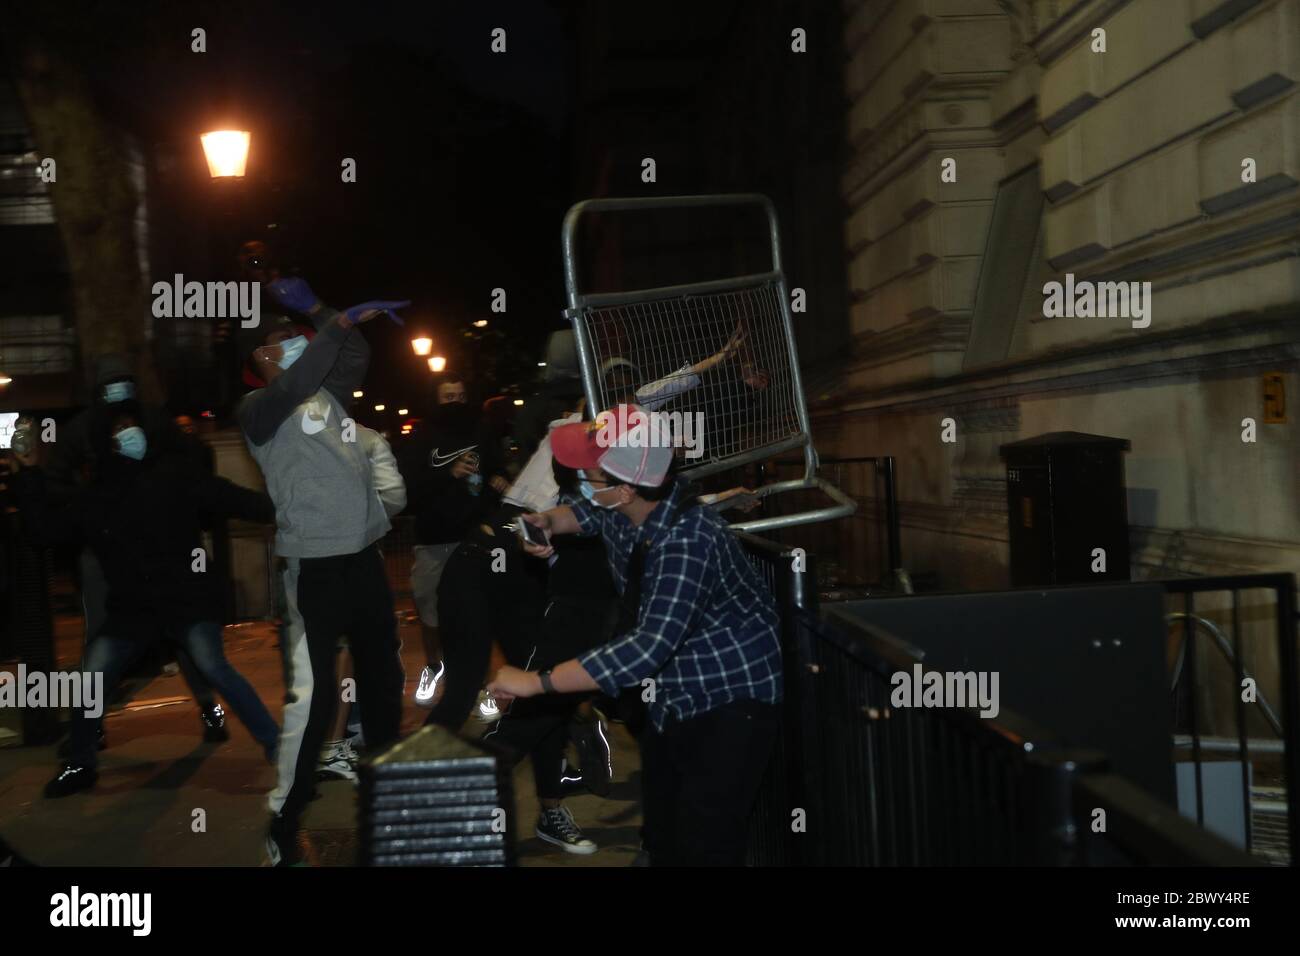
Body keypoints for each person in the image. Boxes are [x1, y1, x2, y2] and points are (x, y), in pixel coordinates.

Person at [488, 404, 783, 867]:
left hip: (731, 694)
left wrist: (536, 682)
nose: (578, 479)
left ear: (625, 489)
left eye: (590, 475)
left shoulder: (687, 541)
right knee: (663, 825)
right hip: (673, 692)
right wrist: (546, 522)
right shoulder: (629, 504)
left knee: (707, 839)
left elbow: (646, 648)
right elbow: (581, 513)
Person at [11, 408, 281, 798]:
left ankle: (276, 746)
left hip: (186, 599)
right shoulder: (98, 495)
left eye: (131, 425)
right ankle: (81, 763)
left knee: (213, 666)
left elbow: (227, 497)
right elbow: (47, 531)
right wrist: (30, 472)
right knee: (93, 676)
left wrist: (284, 507)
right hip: (134, 608)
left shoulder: (174, 473)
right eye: (118, 429)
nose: (129, 434)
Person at [236, 277, 408, 865]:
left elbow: (352, 353)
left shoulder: (329, 394)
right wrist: (330, 327)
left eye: (293, 334)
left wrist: (321, 310)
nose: (289, 342)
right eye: (277, 339)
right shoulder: (260, 408)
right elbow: (305, 372)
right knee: (314, 700)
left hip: (363, 559)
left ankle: (387, 803)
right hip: (314, 570)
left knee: (383, 681)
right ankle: (285, 818)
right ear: (256, 361)